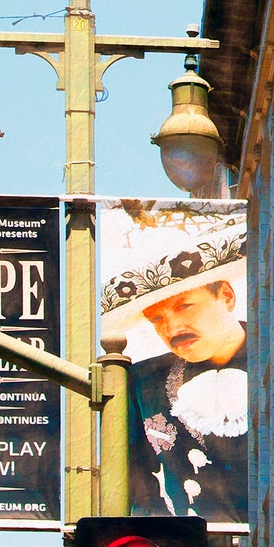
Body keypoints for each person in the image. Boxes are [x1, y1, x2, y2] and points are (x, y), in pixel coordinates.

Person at [101, 222, 248, 523]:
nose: (171, 329)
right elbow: (133, 485)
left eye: (184, 307)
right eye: (157, 318)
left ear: (227, 296)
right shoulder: (142, 383)